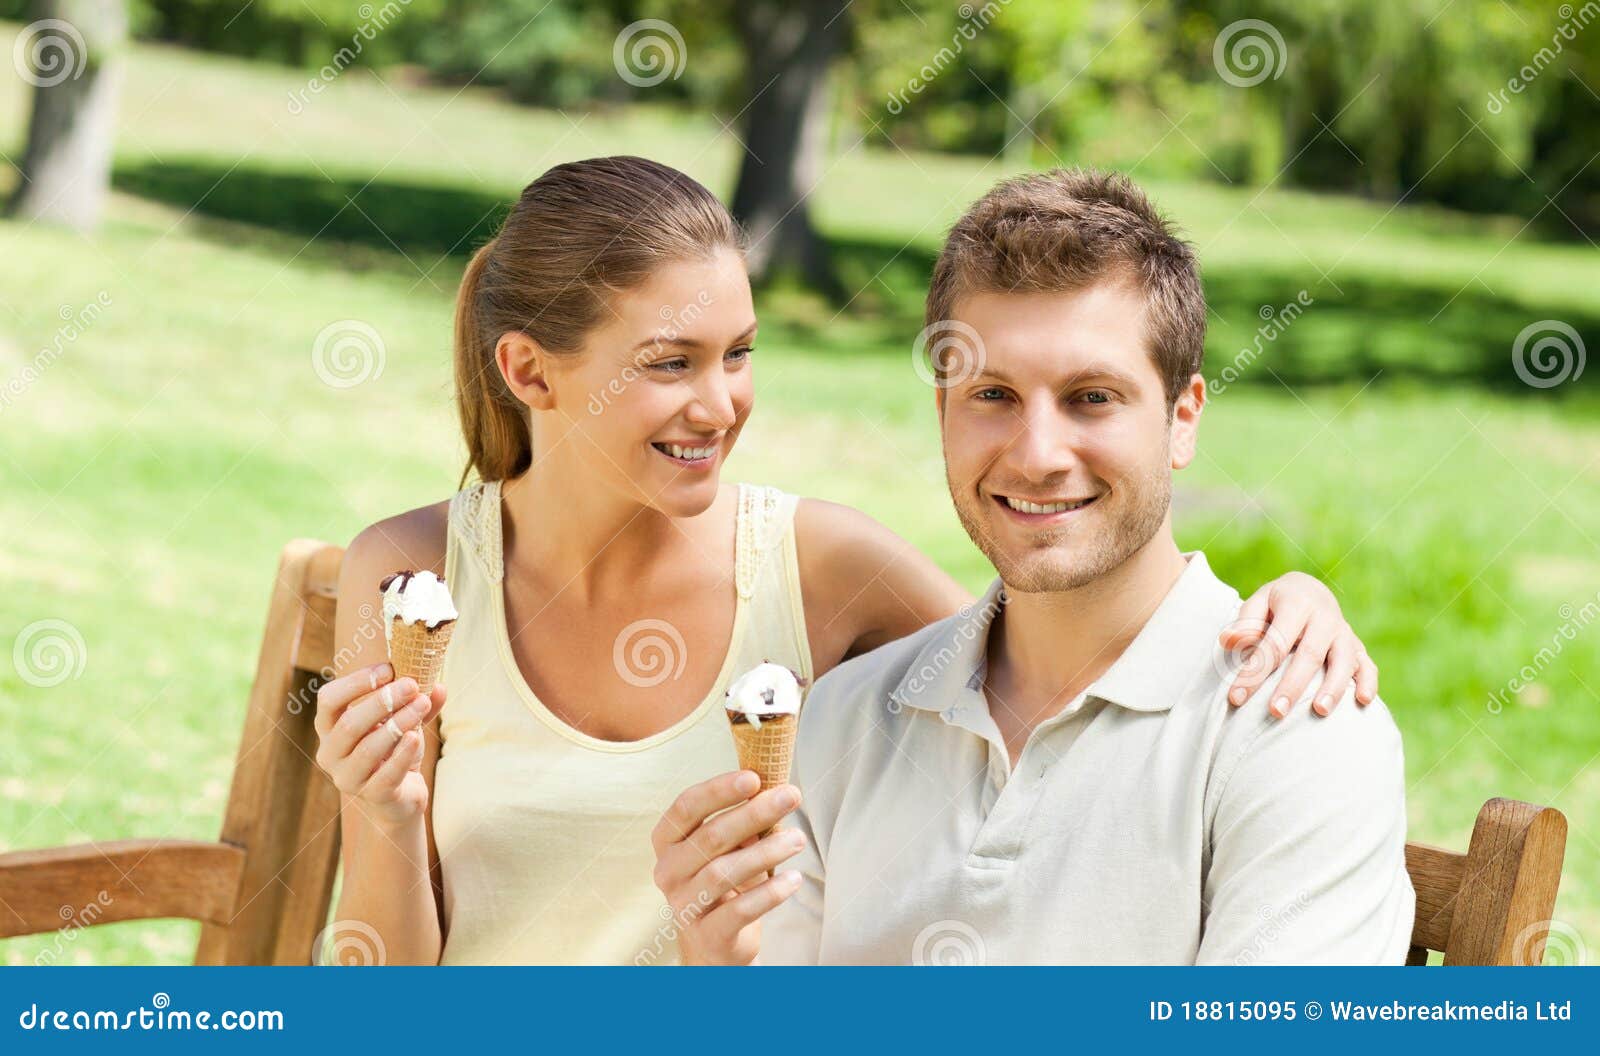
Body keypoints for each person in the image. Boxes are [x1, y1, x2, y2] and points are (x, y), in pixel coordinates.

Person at [311, 156, 1380, 966]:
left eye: (737, 355)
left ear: (1183, 415)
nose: (719, 402)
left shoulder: (821, 585)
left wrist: (1282, 607)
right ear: (529, 374)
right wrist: (383, 810)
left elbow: (1054, 627)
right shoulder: (420, 576)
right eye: (669, 362)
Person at [653, 167, 1413, 965]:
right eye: (993, 396)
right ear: (943, 411)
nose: (1038, 455)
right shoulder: (843, 722)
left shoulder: (1293, 733)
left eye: (1091, 397)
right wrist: (718, 970)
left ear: (1181, 419)